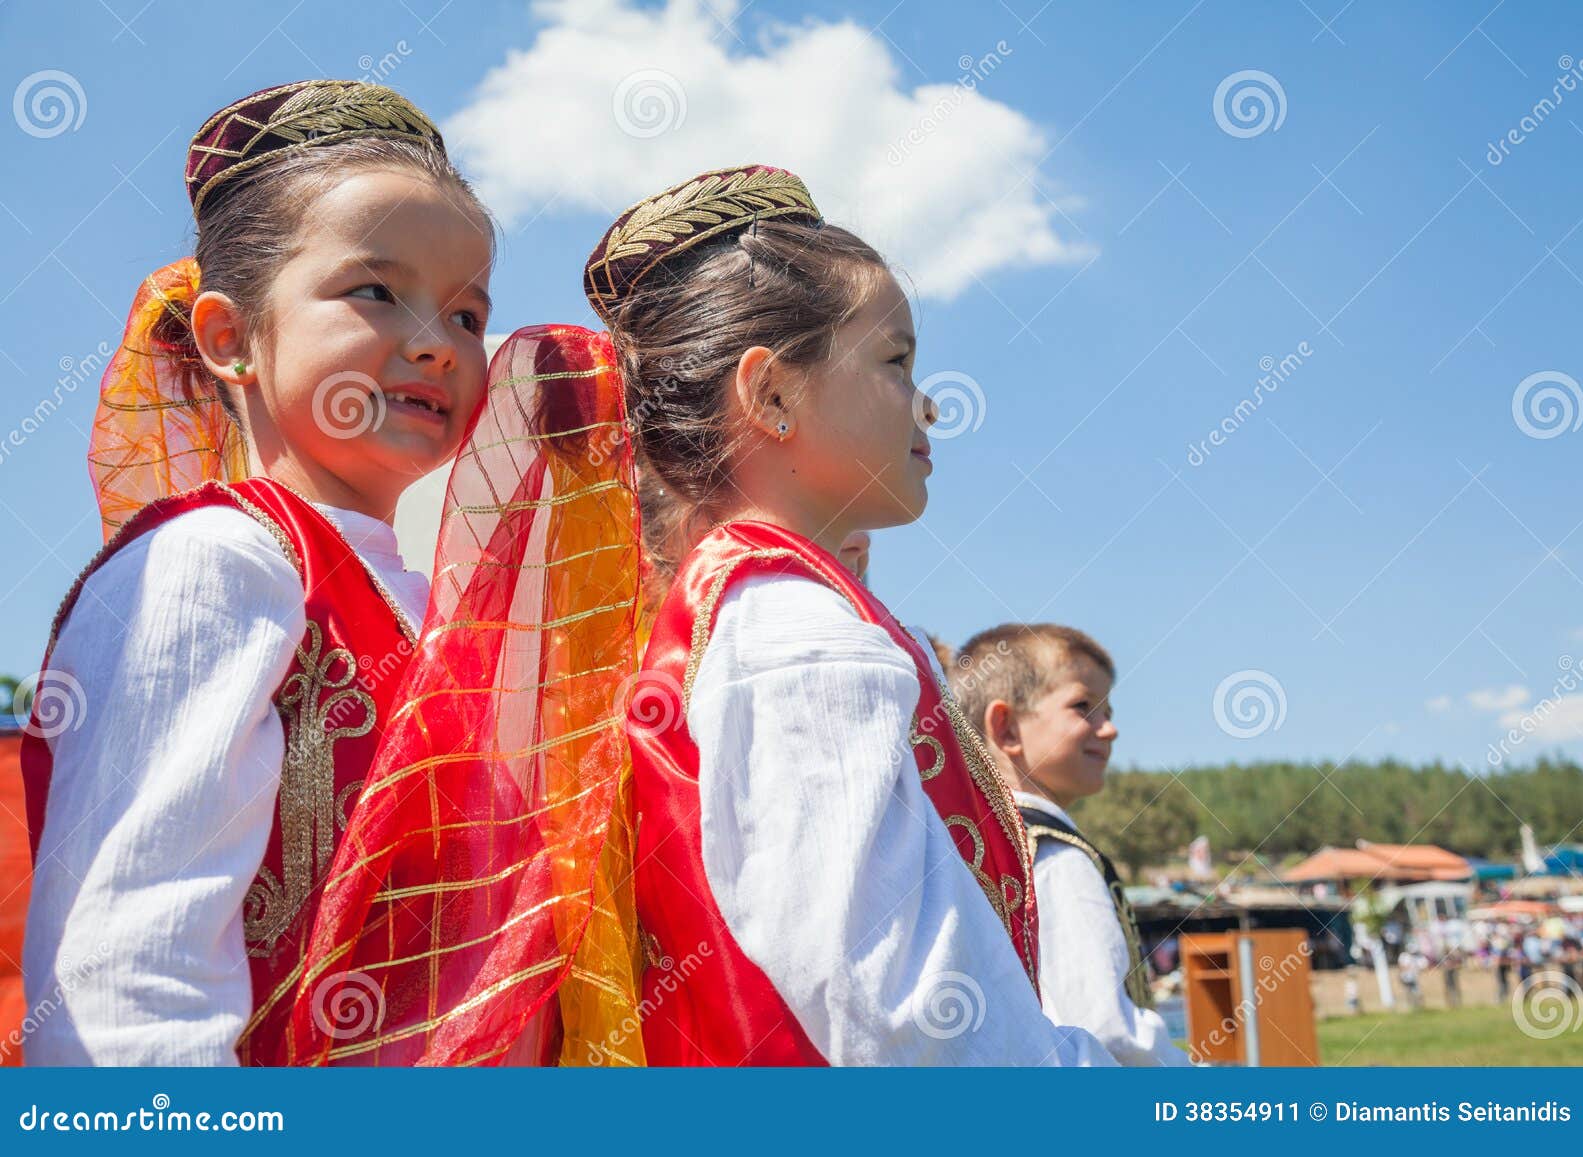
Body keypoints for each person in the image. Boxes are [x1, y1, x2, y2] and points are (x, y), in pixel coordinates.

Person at [595, 164, 1112, 1066]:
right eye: (896, 360)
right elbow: (902, 1012)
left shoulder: (755, 606)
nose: (932, 401)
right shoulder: (798, 633)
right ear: (773, 395)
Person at [21, 80, 492, 1065]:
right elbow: (125, 977)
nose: (434, 343)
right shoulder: (214, 564)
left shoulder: (445, 607)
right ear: (229, 338)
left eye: (467, 312)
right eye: (376, 291)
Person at [951, 622, 1189, 1066]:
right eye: (1085, 707)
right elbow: (1106, 1032)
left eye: (1109, 712)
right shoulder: (1057, 857)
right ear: (1006, 728)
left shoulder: (974, 848)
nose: (1110, 730)